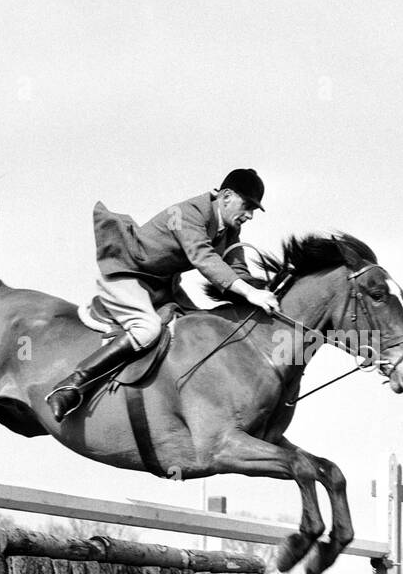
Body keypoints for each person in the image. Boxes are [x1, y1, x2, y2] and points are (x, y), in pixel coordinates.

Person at [46, 169, 281, 422]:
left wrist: (266, 292)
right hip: (128, 275)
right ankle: (71, 385)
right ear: (226, 196)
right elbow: (203, 258)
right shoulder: (188, 214)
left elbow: (236, 269)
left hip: (161, 286)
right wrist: (248, 292)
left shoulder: (229, 230)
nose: (249, 215)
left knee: (199, 328)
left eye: (254, 210)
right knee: (147, 330)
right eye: (247, 206)